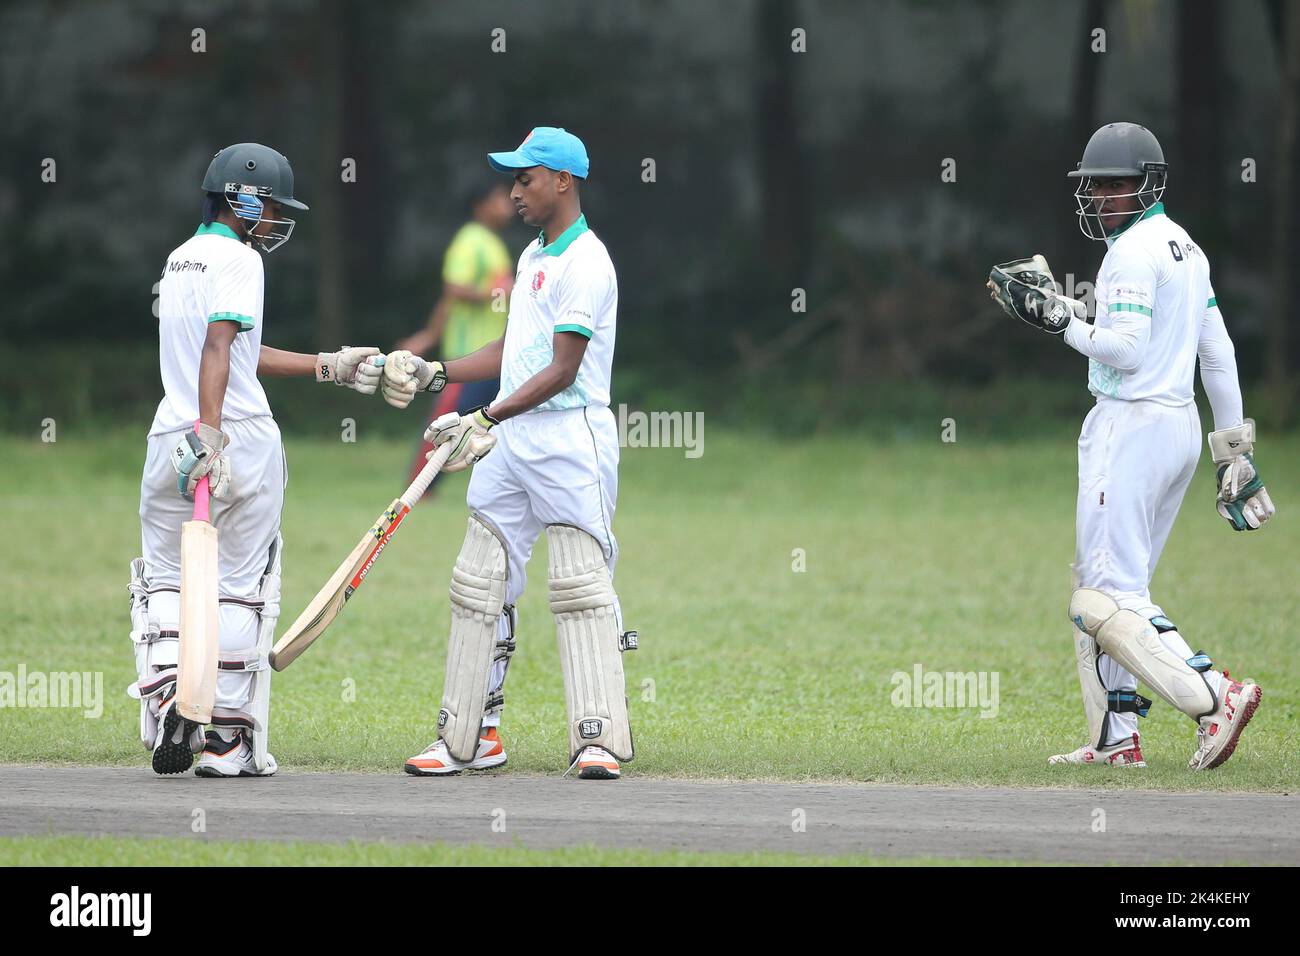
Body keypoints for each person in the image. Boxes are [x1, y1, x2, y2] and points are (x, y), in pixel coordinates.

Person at [987, 122, 1274, 771]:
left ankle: (1216, 697)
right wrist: (1233, 450)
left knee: (1105, 600)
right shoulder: (1185, 247)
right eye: (1094, 185)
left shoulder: (1130, 254)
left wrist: (1061, 318)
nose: (1101, 196)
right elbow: (1219, 356)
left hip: (1132, 427)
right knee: (1105, 585)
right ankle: (1116, 740)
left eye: (1116, 184)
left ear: (1150, 184)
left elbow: (1125, 350)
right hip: (1174, 431)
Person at [381, 127, 636, 780]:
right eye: (513, 180)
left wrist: (483, 415)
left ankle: (598, 740)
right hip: (512, 436)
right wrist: (438, 374)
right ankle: (469, 738)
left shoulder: (588, 262)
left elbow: (562, 369)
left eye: (526, 178)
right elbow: (511, 349)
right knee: (478, 579)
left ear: (564, 181)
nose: (514, 191)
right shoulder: (531, 258)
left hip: (567, 435)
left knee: (579, 582)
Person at [131, 142, 383, 777]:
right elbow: (219, 346)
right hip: (233, 439)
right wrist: (213, 435)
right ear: (242, 200)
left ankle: (170, 700)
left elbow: (234, 350)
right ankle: (226, 743)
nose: (273, 220)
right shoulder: (241, 259)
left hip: (169, 438)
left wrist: (328, 365)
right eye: (270, 206)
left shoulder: (179, 258)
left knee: (168, 580)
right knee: (240, 587)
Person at [394, 180, 515, 489]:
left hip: (497, 355)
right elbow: (454, 290)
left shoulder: (493, 243)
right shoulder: (470, 240)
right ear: (481, 205)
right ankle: (418, 491)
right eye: (500, 198)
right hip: (469, 355)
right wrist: (498, 291)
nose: (509, 202)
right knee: (445, 425)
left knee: (501, 427)